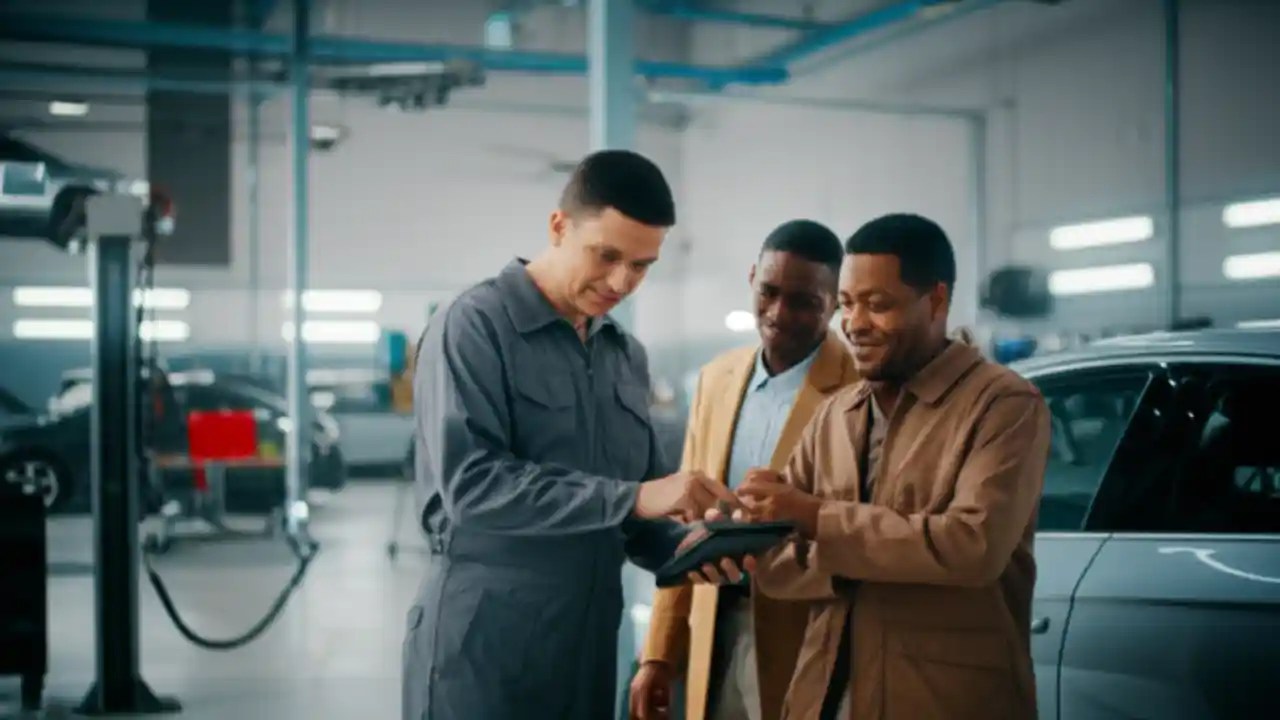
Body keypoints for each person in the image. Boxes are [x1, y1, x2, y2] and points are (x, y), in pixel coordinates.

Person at [403, 149, 738, 720]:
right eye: (606, 256)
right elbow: (472, 484)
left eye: (641, 265)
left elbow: (639, 511)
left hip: (586, 642)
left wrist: (693, 548)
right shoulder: (474, 326)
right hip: (488, 640)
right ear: (558, 227)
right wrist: (634, 497)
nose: (621, 282)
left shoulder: (623, 355)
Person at [729, 213, 1051, 719]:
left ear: (937, 301)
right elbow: (776, 562)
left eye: (878, 305)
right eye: (847, 305)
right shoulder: (837, 414)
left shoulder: (1003, 405)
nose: (855, 324)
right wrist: (747, 531)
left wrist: (817, 523)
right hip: (826, 697)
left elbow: (973, 548)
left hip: (943, 700)